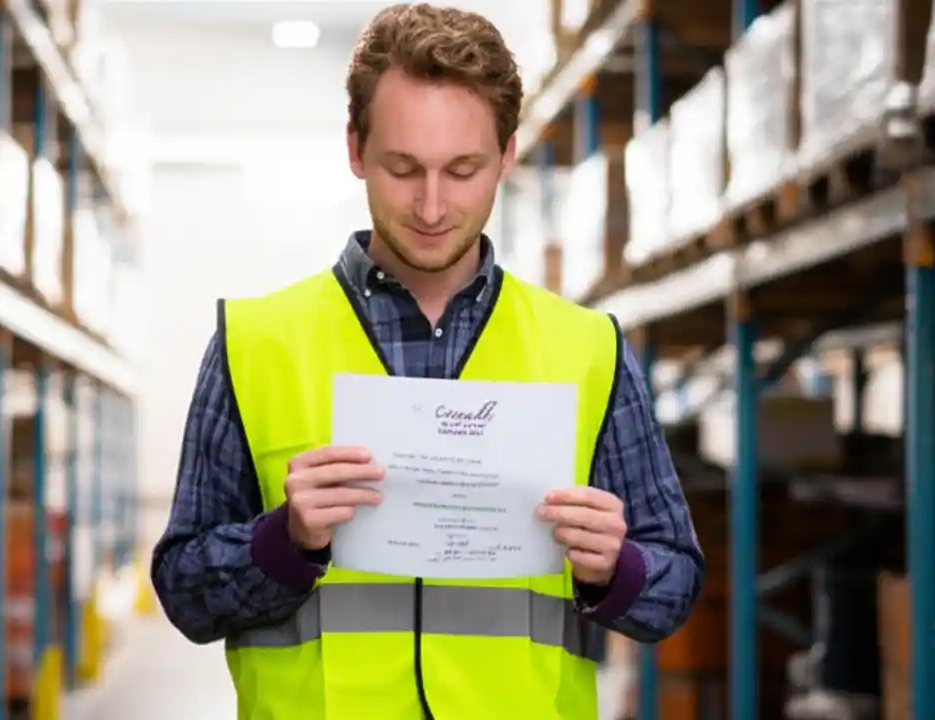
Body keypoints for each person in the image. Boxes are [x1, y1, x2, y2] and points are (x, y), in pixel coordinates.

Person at [151, 3, 703, 718]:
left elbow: (675, 587)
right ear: (355, 149)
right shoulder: (256, 342)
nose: (433, 206)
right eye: (403, 168)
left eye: (464, 170)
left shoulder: (589, 348)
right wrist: (283, 541)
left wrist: (614, 569)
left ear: (507, 155)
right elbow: (185, 594)